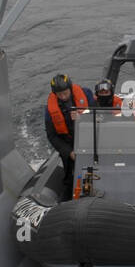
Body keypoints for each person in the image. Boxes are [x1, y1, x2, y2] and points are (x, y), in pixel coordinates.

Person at [45, 72, 93, 200]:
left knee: (92, 171)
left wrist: (82, 117)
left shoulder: (86, 94)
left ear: (70, 88)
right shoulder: (51, 110)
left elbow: (98, 115)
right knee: (70, 177)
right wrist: (69, 152)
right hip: (68, 146)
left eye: (65, 93)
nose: (63, 96)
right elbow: (52, 135)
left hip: (89, 141)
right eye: (59, 94)